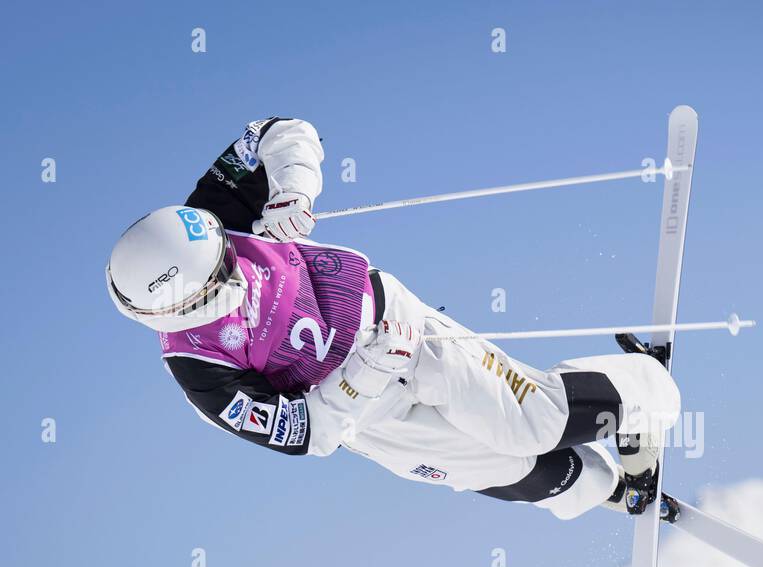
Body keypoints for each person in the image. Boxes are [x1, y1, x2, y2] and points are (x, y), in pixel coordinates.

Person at [105, 117, 679, 519]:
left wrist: (292, 191)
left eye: (222, 257)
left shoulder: (210, 215)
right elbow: (307, 434)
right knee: (502, 468)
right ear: (168, 310)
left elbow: (281, 132)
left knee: (527, 422)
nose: (233, 270)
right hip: (368, 412)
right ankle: (607, 484)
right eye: (209, 284)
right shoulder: (199, 369)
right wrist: (366, 377)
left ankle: (649, 392)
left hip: (393, 323)